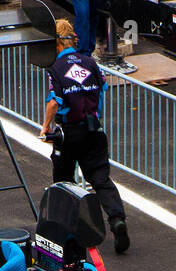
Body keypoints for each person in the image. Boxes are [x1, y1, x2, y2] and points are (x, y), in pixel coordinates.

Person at [38, 18, 130, 254]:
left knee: (63, 184)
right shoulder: (90, 63)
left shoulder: (56, 69)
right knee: (100, 179)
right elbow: (102, 91)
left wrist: (45, 127)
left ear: (57, 43)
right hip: (94, 129)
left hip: (69, 133)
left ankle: (66, 234)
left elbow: (53, 103)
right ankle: (117, 220)